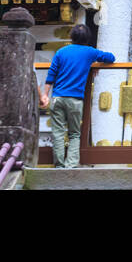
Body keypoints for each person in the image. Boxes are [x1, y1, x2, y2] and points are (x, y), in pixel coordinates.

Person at [40, 23, 114, 168]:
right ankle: (71, 165)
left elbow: (51, 75)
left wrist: (45, 94)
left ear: (72, 36)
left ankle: (59, 166)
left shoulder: (61, 52)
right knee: (74, 134)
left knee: (58, 133)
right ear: (87, 38)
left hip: (58, 98)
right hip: (75, 100)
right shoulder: (89, 52)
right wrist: (94, 62)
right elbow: (111, 57)